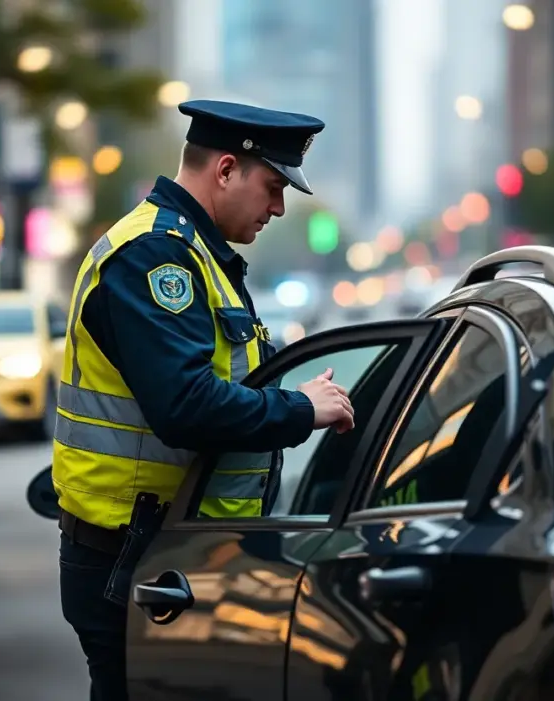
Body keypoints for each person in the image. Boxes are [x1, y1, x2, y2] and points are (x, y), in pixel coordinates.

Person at [53, 99, 355, 700]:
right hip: (138, 559)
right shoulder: (156, 257)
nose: (278, 207)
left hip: (164, 549)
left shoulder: (194, 251)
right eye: (273, 187)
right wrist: (299, 409)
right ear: (224, 171)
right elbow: (185, 406)